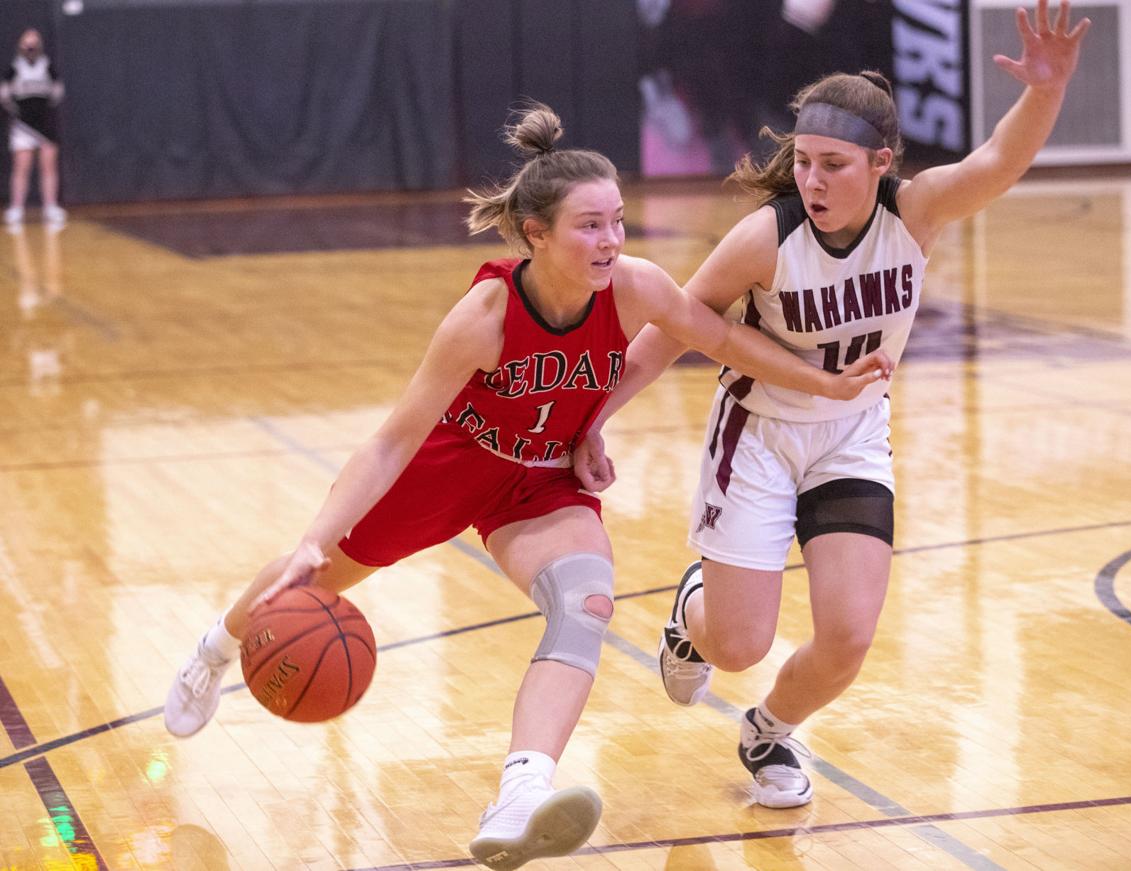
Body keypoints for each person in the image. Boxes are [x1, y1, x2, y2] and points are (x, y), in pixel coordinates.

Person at [162, 102, 887, 869]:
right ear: (536, 234)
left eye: (616, 221)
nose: (610, 240)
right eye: (589, 226)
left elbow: (718, 337)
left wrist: (826, 384)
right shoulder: (485, 314)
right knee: (308, 578)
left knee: (587, 605)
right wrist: (316, 531)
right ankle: (213, 648)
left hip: (541, 483)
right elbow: (391, 440)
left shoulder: (635, 287)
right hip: (446, 469)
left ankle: (519, 792)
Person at [575, 0, 1090, 810]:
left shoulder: (914, 212)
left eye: (834, 165)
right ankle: (691, 612)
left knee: (848, 636)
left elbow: (996, 161)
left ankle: (769, 729)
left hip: (851, 435)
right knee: (738, 641)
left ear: (881, 163)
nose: (812, 179)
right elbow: (675, 327)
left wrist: (1047, 91)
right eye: (805, 161)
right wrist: (592, 417)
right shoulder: (764, 239)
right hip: (761, 435)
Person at [1, 28, 66, 230]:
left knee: (48, 166)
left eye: (34, 44)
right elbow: (4, 94)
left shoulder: (47, 66)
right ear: (20, 45)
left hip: (44, 122)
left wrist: (45, 108)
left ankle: (50, 207)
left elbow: (57, 91)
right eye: (26, 44)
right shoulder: (14, 68)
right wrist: (16, 110)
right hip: (22, 123)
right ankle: (17, 208)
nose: (30, 48)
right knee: (22, 166)